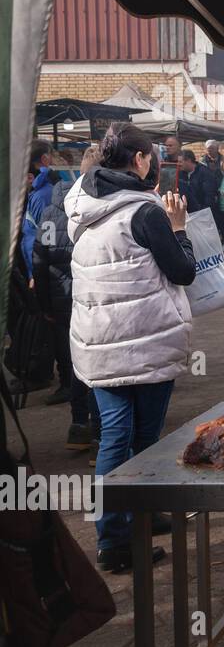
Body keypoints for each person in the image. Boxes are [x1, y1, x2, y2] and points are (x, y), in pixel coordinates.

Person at [65, 122, 195, 573]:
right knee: (139, 438)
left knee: (114, 437)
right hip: (147, 342)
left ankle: (129, 522)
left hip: (97, 342)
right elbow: (182, 272)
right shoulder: (145, 211)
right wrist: (179, 227)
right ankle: (117, 540)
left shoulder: (79, 203)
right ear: (140, 160)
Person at [32, 146, 101, 449]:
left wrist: (45, 306)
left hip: (62, 304)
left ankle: (78, 425)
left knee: (77, 366)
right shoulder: (102, 207)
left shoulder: (52, 209)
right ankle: (99, 432)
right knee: (98, 368)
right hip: (94, 302)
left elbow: (40, 260)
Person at [21, 139, 56, 278]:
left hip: (39, 272)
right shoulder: (40, 193)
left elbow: (47, 241)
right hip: (37, 271)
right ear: (45, 159)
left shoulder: (42, 194)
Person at [178, 149, 219, 214]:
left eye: (180, 162)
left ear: (188, 160)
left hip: (202, 213)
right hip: (187, 214)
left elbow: (210, 196)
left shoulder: (205, 173)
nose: (178, 164)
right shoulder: (181, 174)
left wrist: (202, 211)